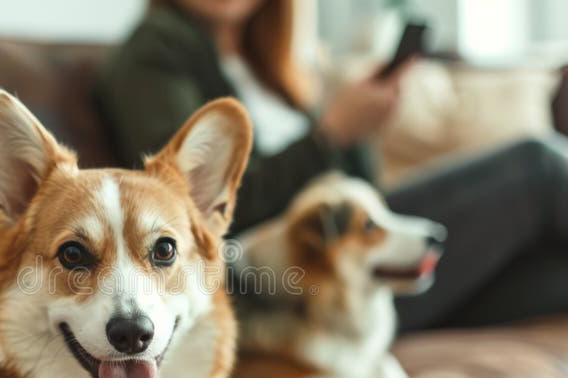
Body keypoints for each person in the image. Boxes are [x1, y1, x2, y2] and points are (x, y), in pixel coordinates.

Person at [95, 0, 568, 331]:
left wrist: (357, 130)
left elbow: (361, 190)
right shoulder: (154, 53)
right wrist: (332, 135)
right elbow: (195, 208)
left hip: (362, 258)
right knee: (537, 166)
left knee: (554, 276)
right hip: (285, 277)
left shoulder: (271, 66)